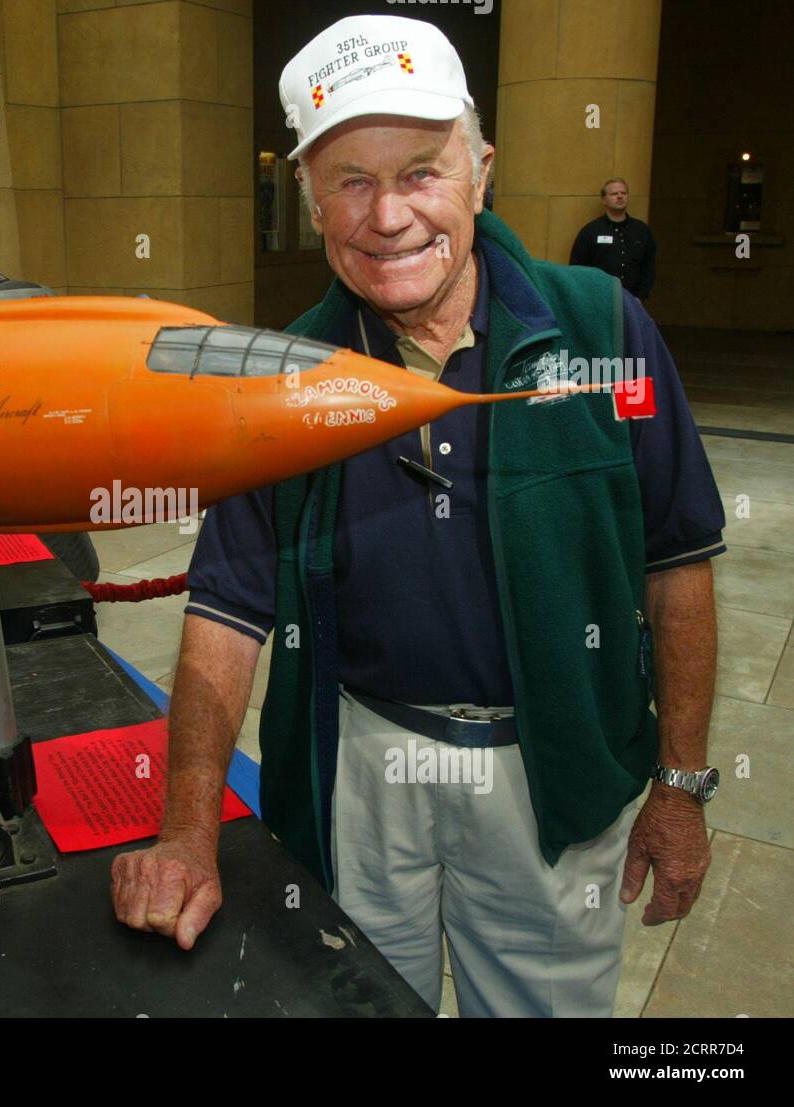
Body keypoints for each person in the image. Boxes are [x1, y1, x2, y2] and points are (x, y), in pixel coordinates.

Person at [110, 14, 726, 1018]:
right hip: (358, 776)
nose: (388, 216)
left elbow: (677, 562)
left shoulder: (605, 330)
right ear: (309, 199)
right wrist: (186, 830)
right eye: (349, 180)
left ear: (481, 171)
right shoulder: (273, 376)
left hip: (557, 776)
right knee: (354, 1001)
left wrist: (681, 783)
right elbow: (224, 613)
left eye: (420, 172)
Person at [570, 178, 657, 301]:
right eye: (614, 194)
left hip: (633, 300)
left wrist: (640, 297)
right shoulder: (591, 231)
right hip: (599, 299)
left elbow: (649, 267)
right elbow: (577, 269)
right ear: (604, 200)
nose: (620, 196)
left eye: (623, 193)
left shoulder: (642, 230)